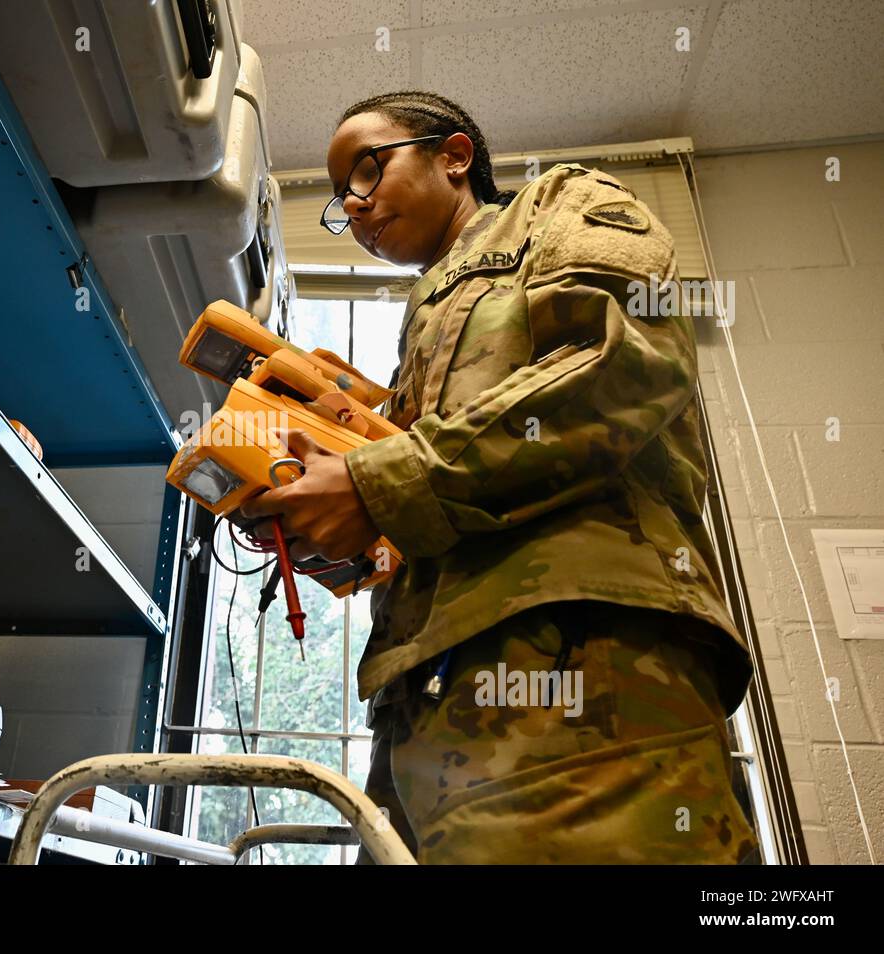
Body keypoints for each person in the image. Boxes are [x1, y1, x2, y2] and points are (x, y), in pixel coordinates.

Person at [240, 91, 759, 864]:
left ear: (454, 155)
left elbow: (620, 365)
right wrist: (329, 524)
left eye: (367, 169)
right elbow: (434, 502)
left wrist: (381, 484)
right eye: (341, 203)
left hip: (576, 671)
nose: (352, 206)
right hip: (422, 703)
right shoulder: (420, 329)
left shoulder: (561, 205)